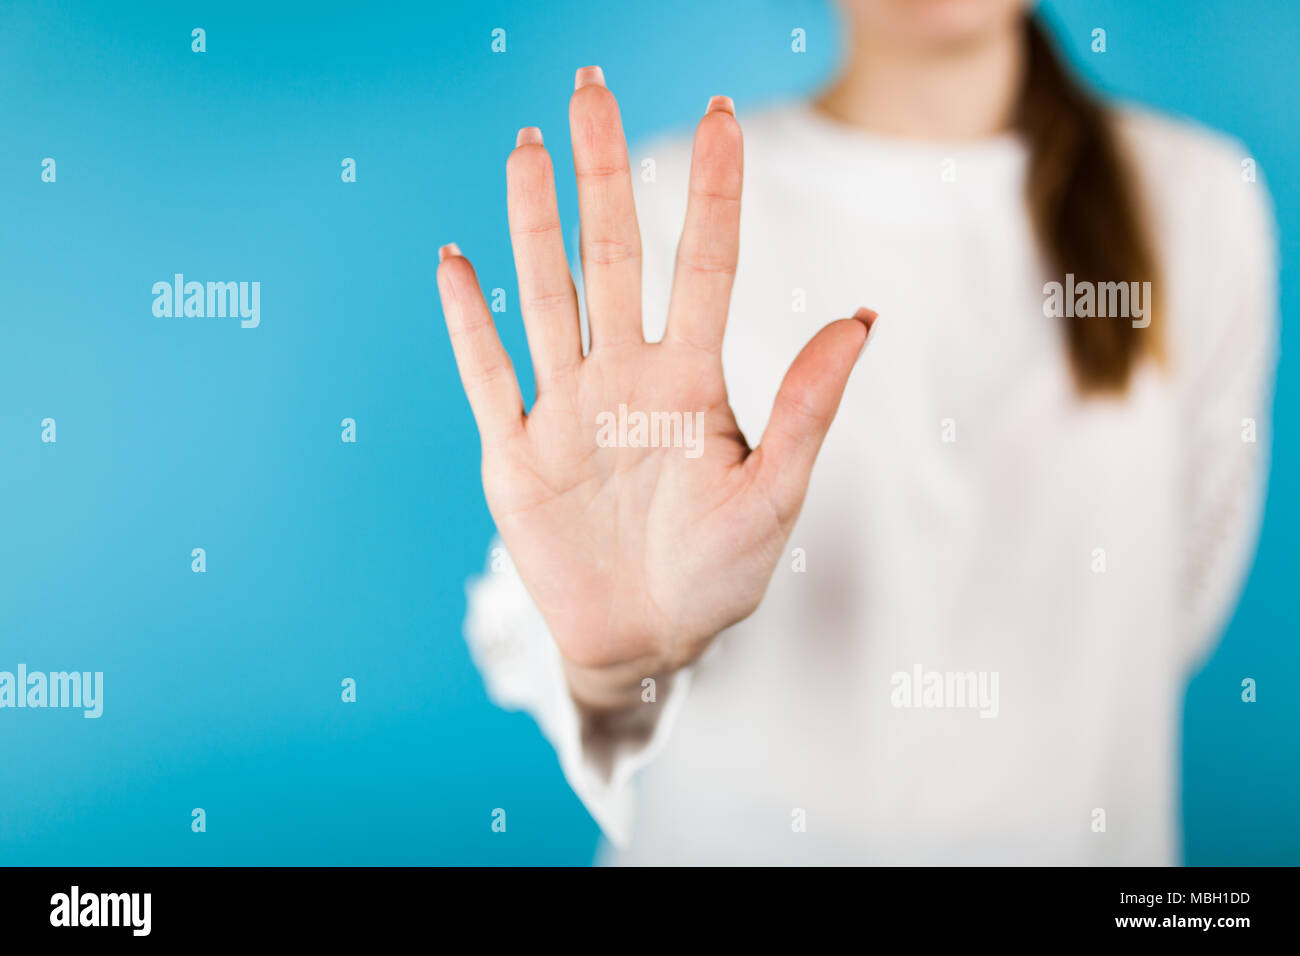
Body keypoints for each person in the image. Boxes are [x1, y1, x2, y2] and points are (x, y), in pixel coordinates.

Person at [436, 0, 1277, 864]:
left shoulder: (1199, 198)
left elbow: (1179, 593)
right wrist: (621, 660)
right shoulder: (671, 200)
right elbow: (581, 605)